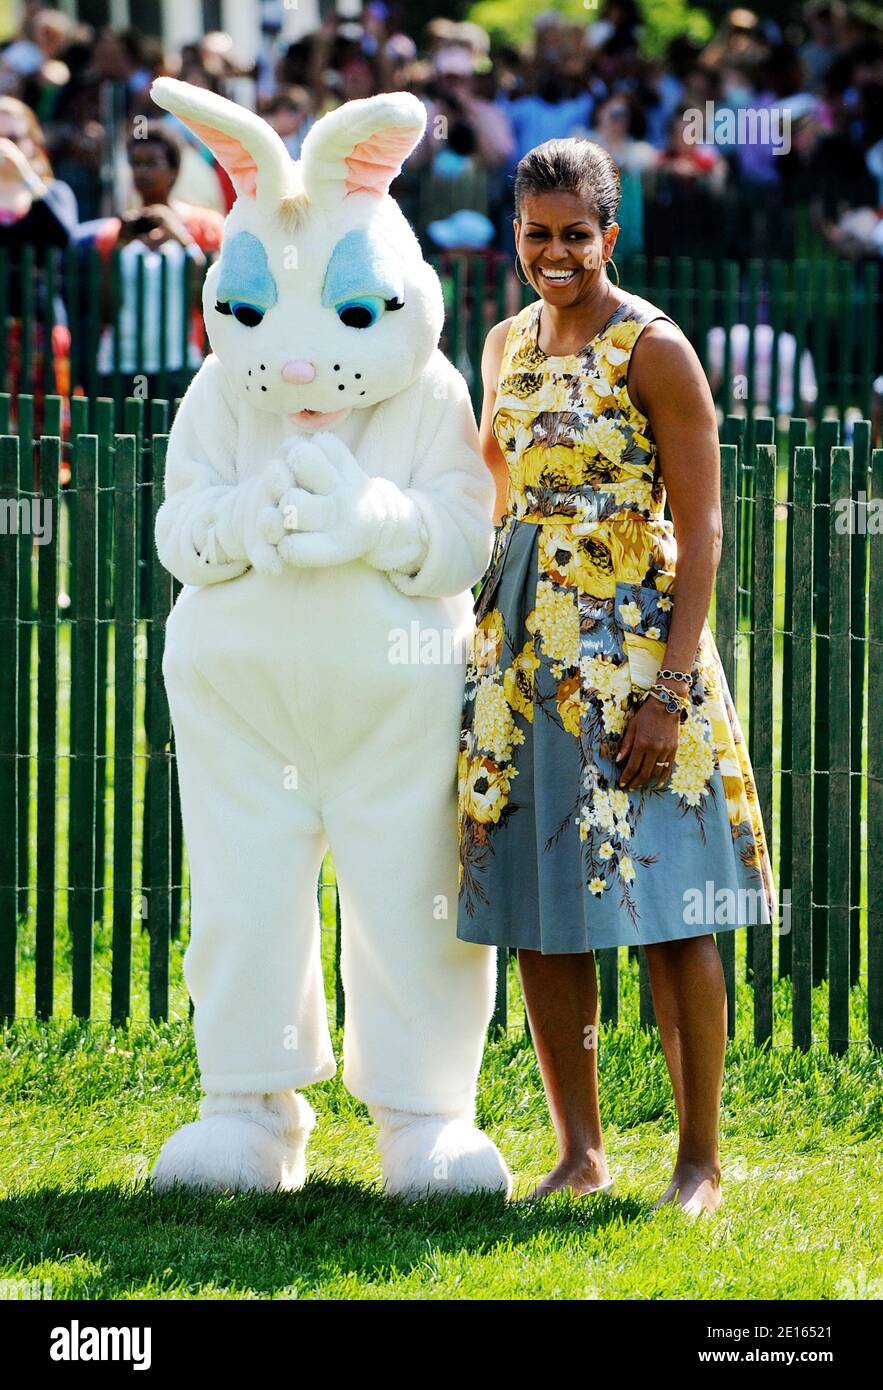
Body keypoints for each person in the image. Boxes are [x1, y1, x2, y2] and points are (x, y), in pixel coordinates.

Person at [456, 137, 777, 1215]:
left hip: (642, 658)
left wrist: (668, 690)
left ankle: (698, 1163)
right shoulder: (502, 345)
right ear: (515, 234)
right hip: (525, 665)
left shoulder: (655, 348)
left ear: (609, 234)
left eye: (575, 236)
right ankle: (580, 1152)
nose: (556, 254)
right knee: (545, 912)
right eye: (537, 235)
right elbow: (494, 495)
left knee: (675, 911)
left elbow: (706, 527)